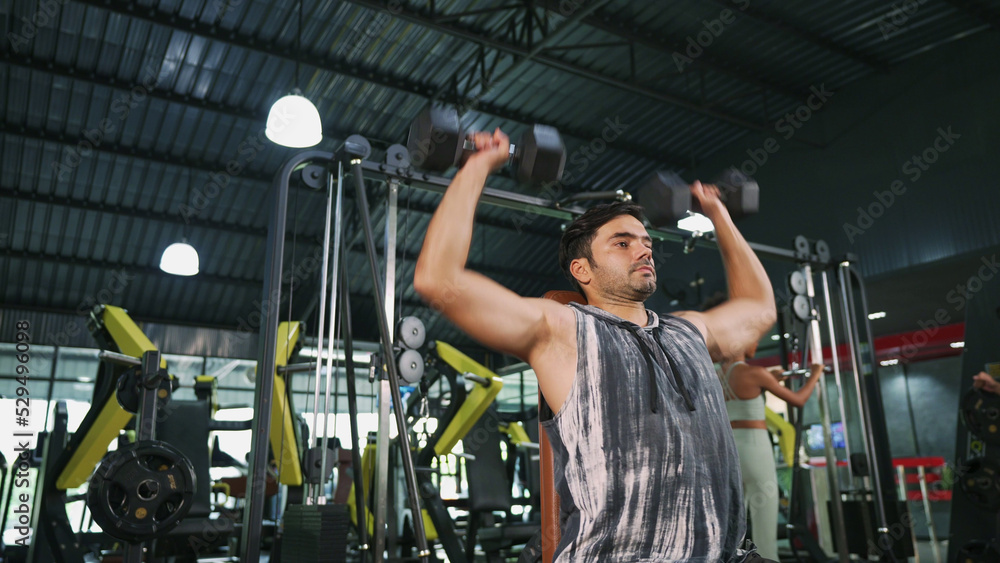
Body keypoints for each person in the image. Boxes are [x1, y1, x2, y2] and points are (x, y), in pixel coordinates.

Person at [414, 128, 777, 562]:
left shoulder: (691, 331)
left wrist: (718, 212)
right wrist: (479, 164)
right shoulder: (561, 329)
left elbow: (758, 309)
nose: (643, 251)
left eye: (646, 243)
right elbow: (440, 281)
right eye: (622, 244)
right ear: (582, 270)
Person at [716, 344, 824, 561]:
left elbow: (745, 393)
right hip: (755, 447)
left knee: (733, 521)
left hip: (729, 448)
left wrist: (769, 380)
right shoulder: (754, 373)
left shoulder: (716, 375)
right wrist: (815, 374)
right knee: (764, 517)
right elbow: (799, 400)